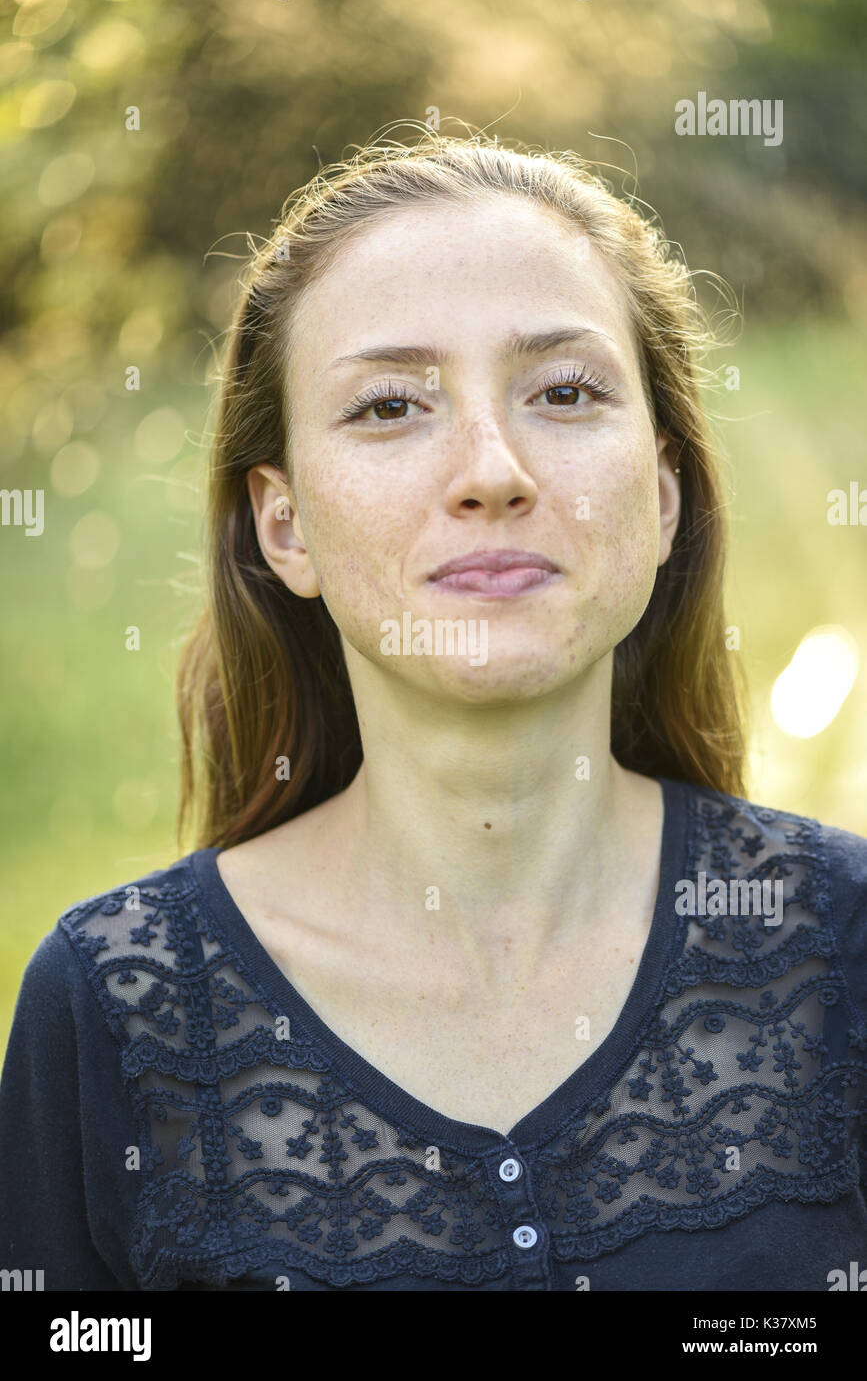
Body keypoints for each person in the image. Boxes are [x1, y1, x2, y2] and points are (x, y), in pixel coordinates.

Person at [1, 128, 865, 1292]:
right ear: (284, 524)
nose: (491, 467)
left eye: (564, 390)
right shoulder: (112, 1007)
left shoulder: (846, 946)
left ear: (663, 497)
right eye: (392, 405)